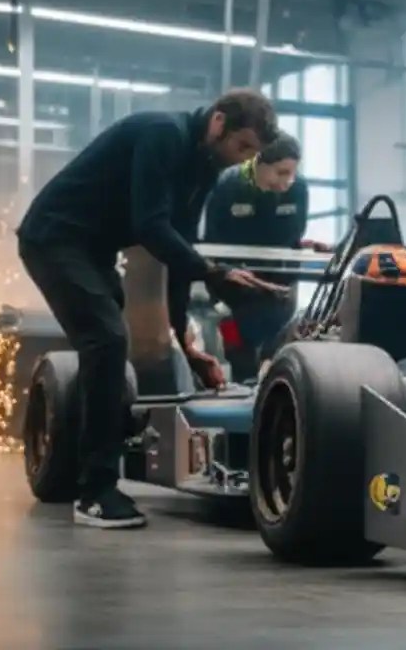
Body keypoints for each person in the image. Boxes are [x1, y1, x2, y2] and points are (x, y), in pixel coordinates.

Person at [16, 89, 282, 530]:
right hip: (53, 239)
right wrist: (215, 273)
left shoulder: (204, 170)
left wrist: (186, 344)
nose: (242, 159)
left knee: (108, 350)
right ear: (218, 122)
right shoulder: (163, 136)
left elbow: (177, 254)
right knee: (106, 338)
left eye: (252, 152)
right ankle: (96, 493)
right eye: (242, 146)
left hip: (94, 250)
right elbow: (150, 226)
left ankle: (94, 457)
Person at [202, 132, 330, 382]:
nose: (287, 181)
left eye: (291, 173)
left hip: (279, 293)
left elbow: (294, 234)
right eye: (280, 173)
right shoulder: (228, 185)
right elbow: (212, 240)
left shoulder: (298, 189)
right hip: (231, 297)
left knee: (275, 353)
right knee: (236, 351)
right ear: (258, 163)